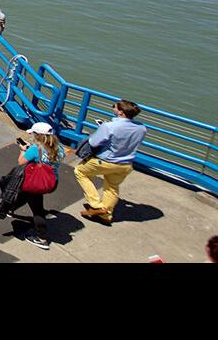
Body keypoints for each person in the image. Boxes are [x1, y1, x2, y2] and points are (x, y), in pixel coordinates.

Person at [74, 99, 147, 225]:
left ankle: (96, 205)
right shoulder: (142, 128)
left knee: (80, 172)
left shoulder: (109, 126)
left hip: (106, 161)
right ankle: (106, 215)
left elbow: (94, 142)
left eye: (115, 107)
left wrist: (101, 129)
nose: (113, 108)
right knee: (112, 187)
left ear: (120, 112)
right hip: (125, 164)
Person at [10, 122, 65, 250]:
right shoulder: (59, 148)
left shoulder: (36, 149)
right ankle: (9, 206)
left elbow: (21, 162)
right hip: (51, 181)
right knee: (26, 196)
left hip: (36, 182)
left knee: (37, 210)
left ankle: (42, 238)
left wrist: (23, 150)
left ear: (37, 135)